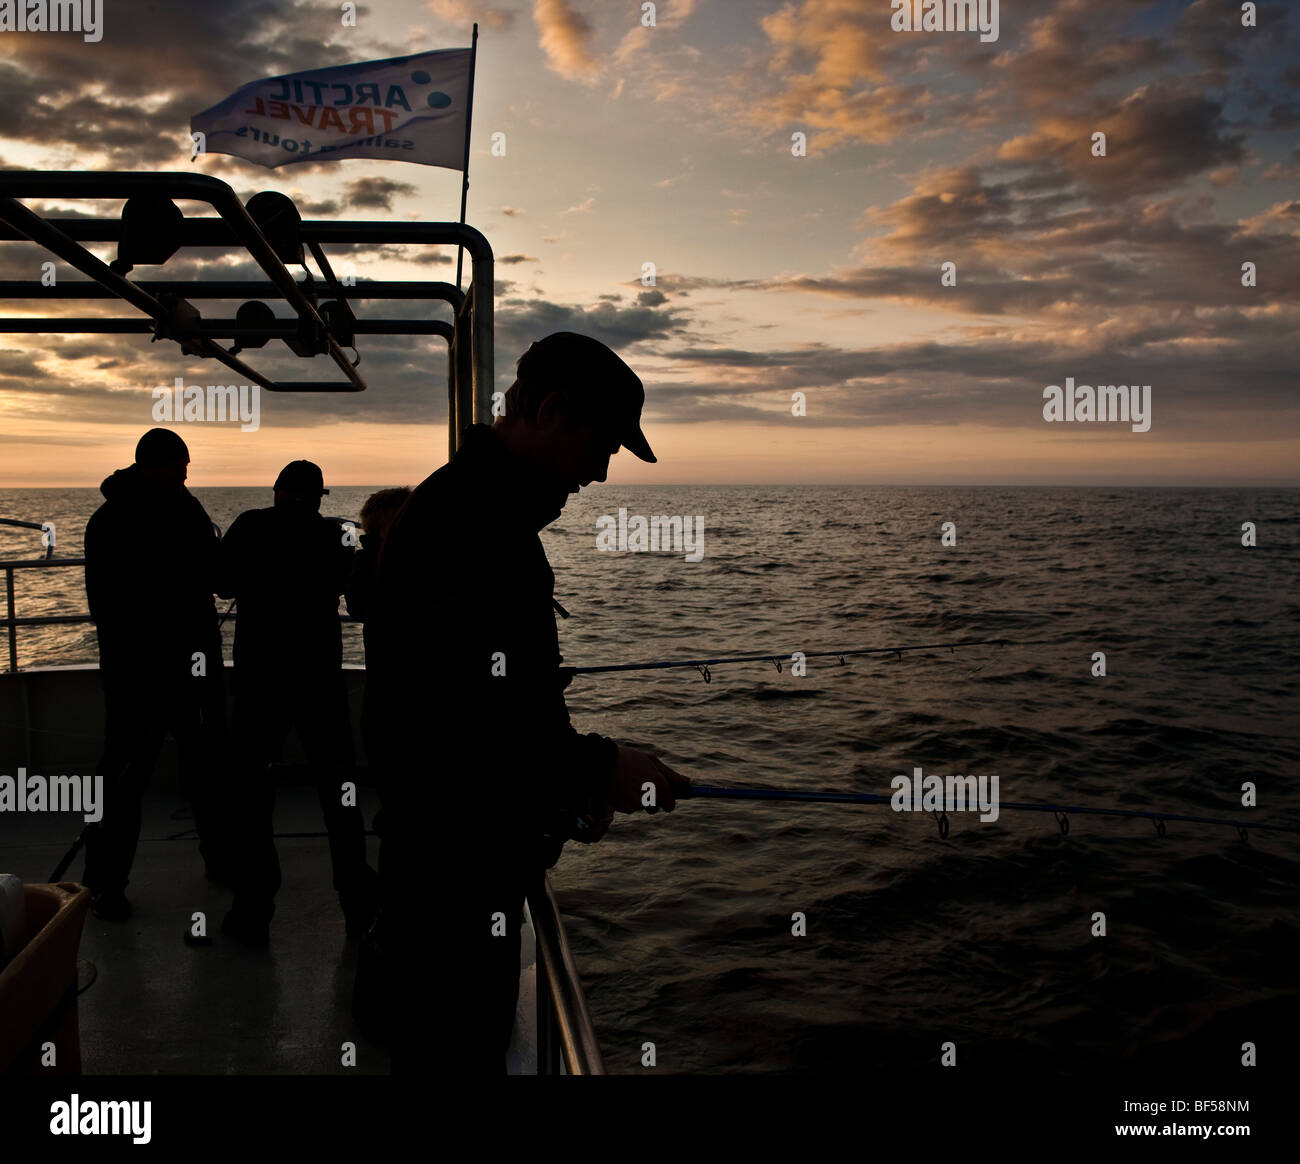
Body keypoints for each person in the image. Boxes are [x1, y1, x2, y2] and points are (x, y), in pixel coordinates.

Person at [365, 331, 690, 1074]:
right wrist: (600, 767)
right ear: (551, 410)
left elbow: (479, 712)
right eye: (603, 445)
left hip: (444, 860)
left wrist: (569, 788)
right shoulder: (474, 525)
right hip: (451, 882)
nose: (603, 474)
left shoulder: (471, 510)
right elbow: (477, 729)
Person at [216, 460, 377, 945]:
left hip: (260, 680)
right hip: (318, 680)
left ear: (278, 491)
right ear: (320, 497)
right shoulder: (340, 534)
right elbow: (358, 600)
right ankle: (356, 906)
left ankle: (252, 910)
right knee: (340, 795)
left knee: (250, 795)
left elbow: (222, 583)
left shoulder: (249, 525)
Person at [82, 428, 230, 920]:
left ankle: (103, 883)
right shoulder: (183, 512)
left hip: (130, 671)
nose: (186, 474)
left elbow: (105, 602)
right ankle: (221, 861)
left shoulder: (105, 519)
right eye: (181, 465)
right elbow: (219, 576)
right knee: (205, 769)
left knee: (122, 776)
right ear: (164, 465)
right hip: (185, 666)